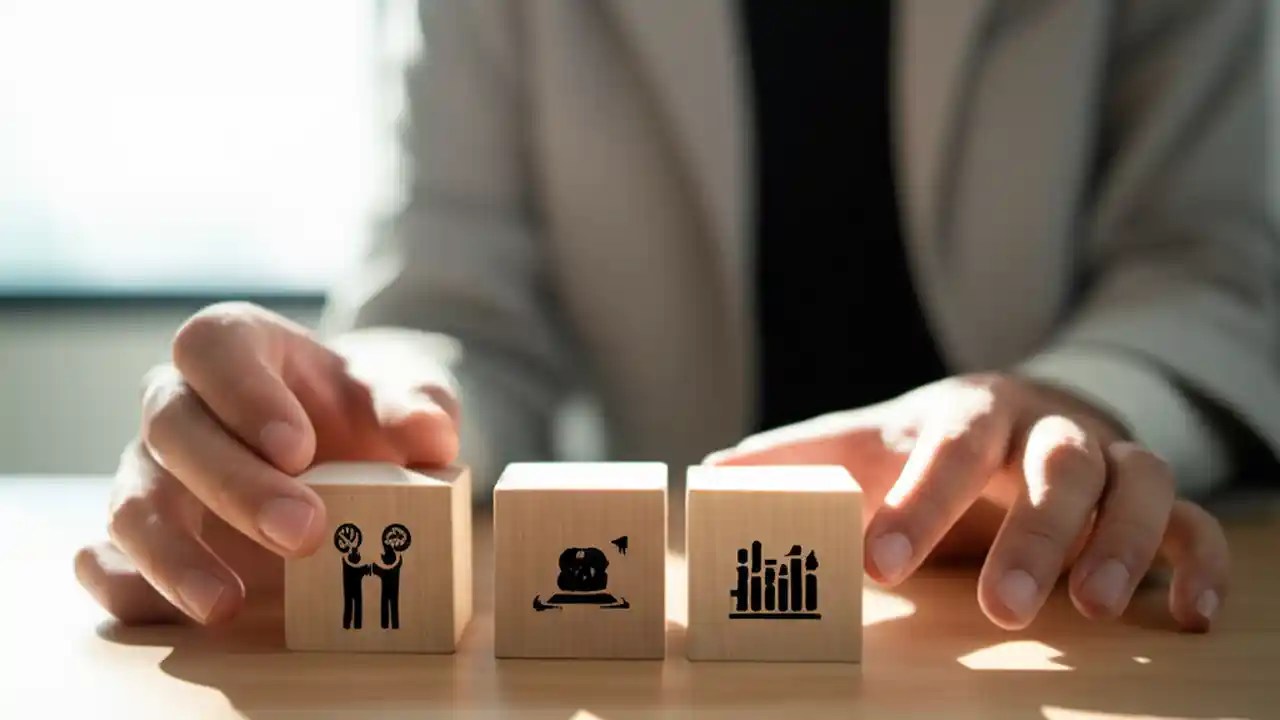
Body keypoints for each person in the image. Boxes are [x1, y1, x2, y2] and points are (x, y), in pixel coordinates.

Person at [74, 1, 1277, 634]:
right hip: (671, 629)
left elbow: (1211, 253)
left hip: (1054, 594)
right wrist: (346, 422)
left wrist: (1081, 400)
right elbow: (452, 309)